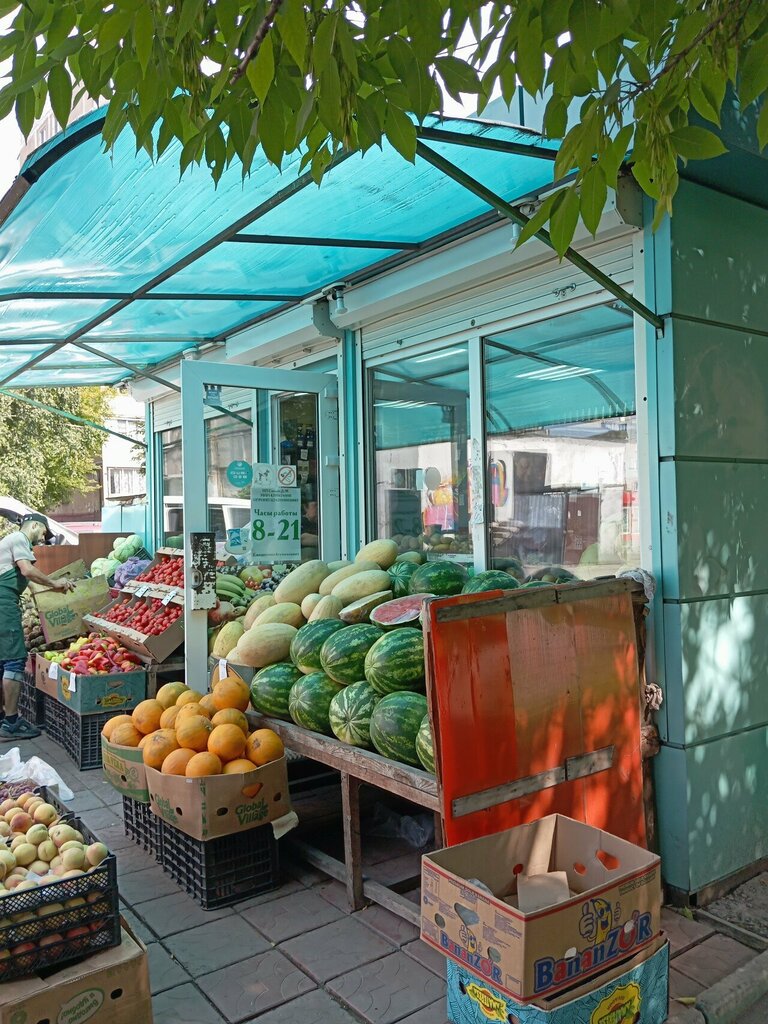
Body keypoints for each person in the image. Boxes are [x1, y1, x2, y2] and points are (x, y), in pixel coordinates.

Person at [0, 514, 75, 740]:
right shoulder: (19, 538)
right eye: (43, 532)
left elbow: (29, 582)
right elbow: (27, 571)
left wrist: (51, 592)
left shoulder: (10, 542)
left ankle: (4, 716)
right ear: (34, 525)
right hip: (3, 603)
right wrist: (54, 583)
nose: (42, 539)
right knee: (14, 659)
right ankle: (11, 722)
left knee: (2, 662)